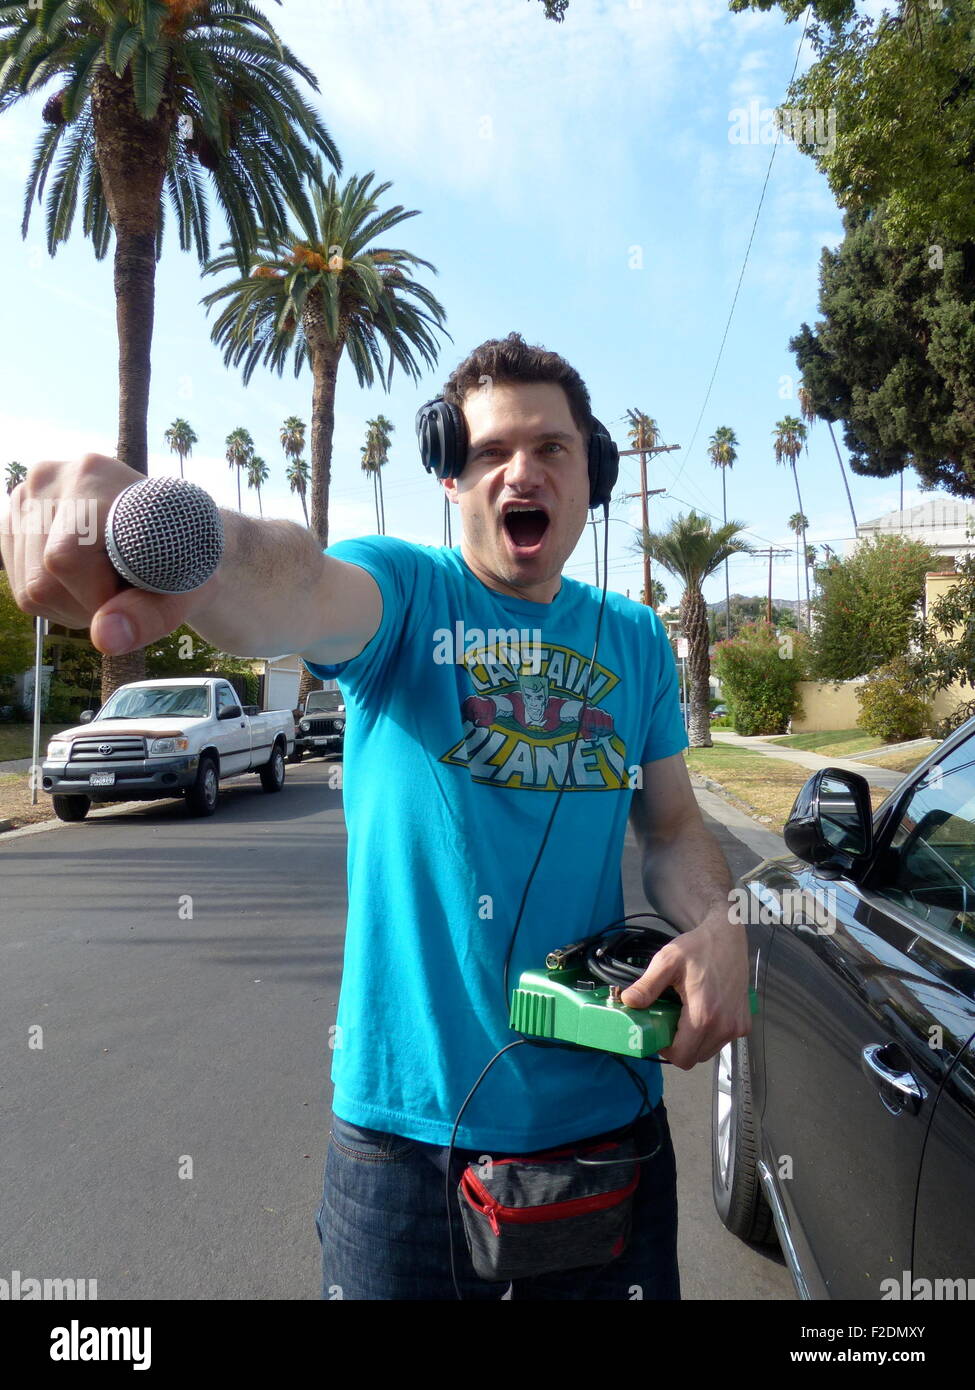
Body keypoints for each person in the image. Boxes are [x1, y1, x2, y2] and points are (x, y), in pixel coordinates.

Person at [0, 331, 749, 1301]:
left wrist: (721, 923)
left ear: (592, 471)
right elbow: (292, 581)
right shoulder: (402, 592)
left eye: (552, 447)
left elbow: (677, 827)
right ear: (448, 472)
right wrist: (178, 534)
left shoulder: (637, 638)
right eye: (489, 450)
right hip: (402, 1160)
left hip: (610, 1135)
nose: (521, 469)